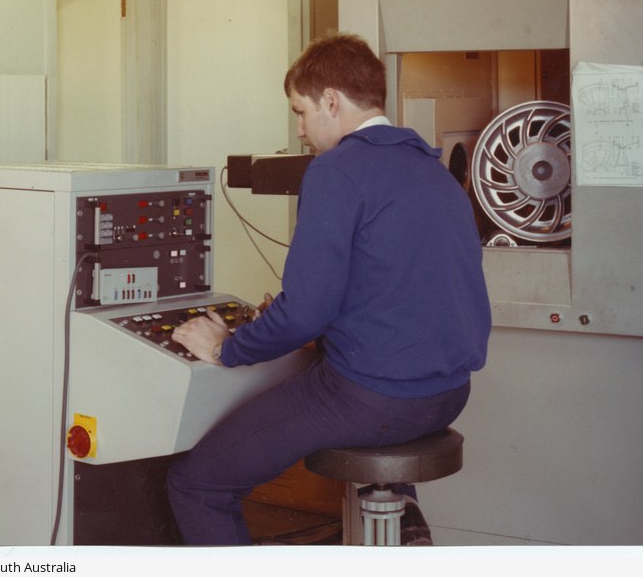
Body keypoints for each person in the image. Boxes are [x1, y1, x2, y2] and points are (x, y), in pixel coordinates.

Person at [167, 32, 492, 546]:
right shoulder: (433, 170)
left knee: (196, 484)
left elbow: (304, 314)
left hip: (373, 401)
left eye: (300, 112)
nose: (299, 130)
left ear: (332, 101)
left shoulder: (336, 169)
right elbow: (400, 291)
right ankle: (398, 505)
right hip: (448, 394)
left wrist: (226, 348)